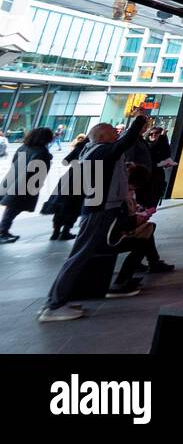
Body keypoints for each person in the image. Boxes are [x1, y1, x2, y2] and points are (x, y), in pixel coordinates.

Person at [38, 112, 150, 321]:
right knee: (79, 256)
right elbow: (123, 144)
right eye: (111, 134)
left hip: (99, 210)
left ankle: (55, 300)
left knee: (81, 255)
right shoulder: (100, 152)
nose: (116, 136)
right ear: (100, 137)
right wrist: (139, 121)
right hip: (99, 212)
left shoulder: (95, 152)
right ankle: (54, 305)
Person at [108, 164, 175, 290]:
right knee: (143, 241)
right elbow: (121, 221)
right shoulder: (120, 194)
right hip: (110, 238)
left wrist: (138, 212)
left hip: (110, 234)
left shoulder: (121, 191)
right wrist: (138, 218)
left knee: (148, 229)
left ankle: (153, 262)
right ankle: (121, 281)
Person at [0, 127, 55, 243]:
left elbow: (14, 162)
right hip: (25, 184)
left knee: (12, 208)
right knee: (13, 209)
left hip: (13, 180)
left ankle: (4, 230)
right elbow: (37, 170)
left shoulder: (23, 147)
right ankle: (2, 232)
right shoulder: (42, 152)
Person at [49, 134, 89, 240]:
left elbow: (65, 161)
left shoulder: (80, 146)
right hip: (83, 180)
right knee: (74, 207)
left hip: (69, 177)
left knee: (62, 205)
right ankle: (65, 231)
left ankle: (55, 232)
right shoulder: (95, 148)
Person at [143, 126, 176, 208]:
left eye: (156, 133)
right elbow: (151, 150)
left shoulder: (162, 144)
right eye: (151, 133)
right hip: (146, 176)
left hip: (157, 176)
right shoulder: (145, 144)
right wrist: (161, 137)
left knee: (153, 201)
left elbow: (167, 153)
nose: (153, 135)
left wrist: (163, 138)